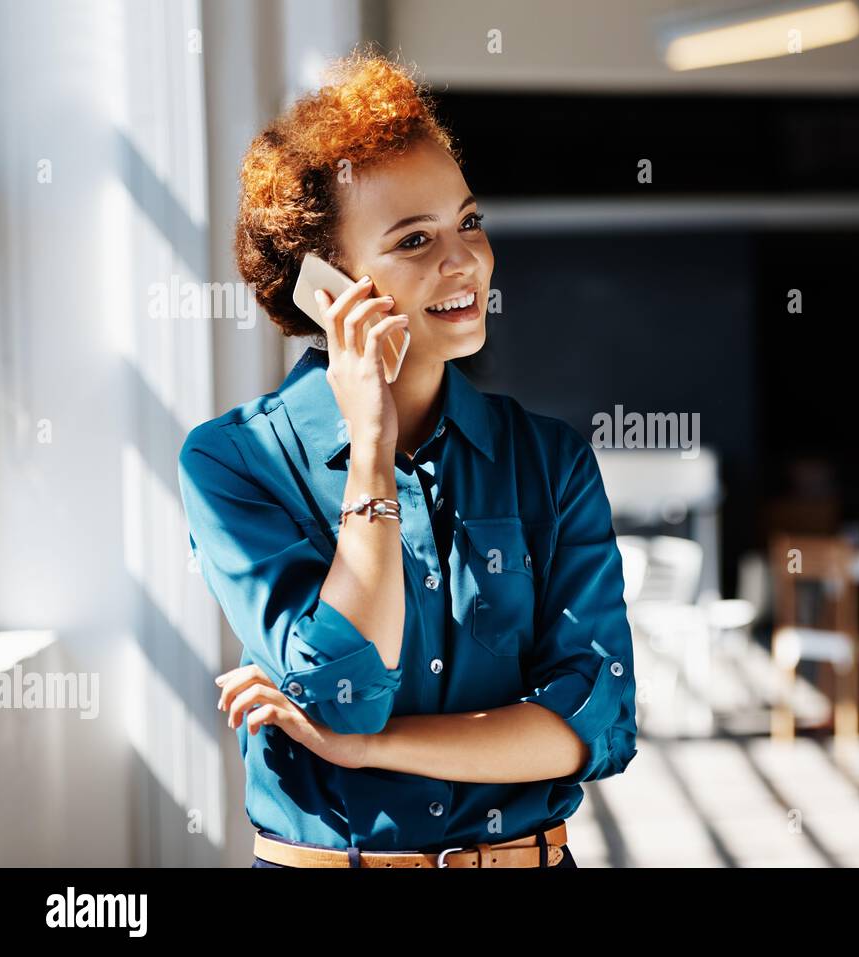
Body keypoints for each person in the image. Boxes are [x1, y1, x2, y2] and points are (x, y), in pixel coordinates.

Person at [177, 46, 637, 869]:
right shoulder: (234, 462)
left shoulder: (549, 460)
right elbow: (347, 697)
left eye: (468, 222)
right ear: (325, 285)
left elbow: (592, 723)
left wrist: (372, 749)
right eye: (415, 239)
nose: (463, 261)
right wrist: (371, 452)